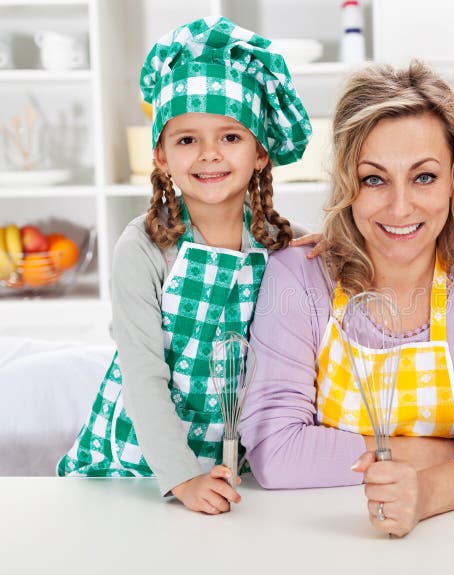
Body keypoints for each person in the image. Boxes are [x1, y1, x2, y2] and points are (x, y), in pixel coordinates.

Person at [239, 61, 454, 537]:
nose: (400, 207)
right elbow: (274, 454)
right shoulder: (297, 279)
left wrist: (426, 495)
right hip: (312, 536)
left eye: (423, 177)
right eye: (374, 179)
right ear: (347, 184)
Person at [57, 16, 312, 515]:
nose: (209, 154)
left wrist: (332, 245)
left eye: (231, 138)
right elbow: (142, 376)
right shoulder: (144, 247)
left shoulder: (284, 244)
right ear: (161, 154)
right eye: (187, 139)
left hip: (231, 462)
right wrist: (182, 477)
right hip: (138, 463)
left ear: (261, 153)